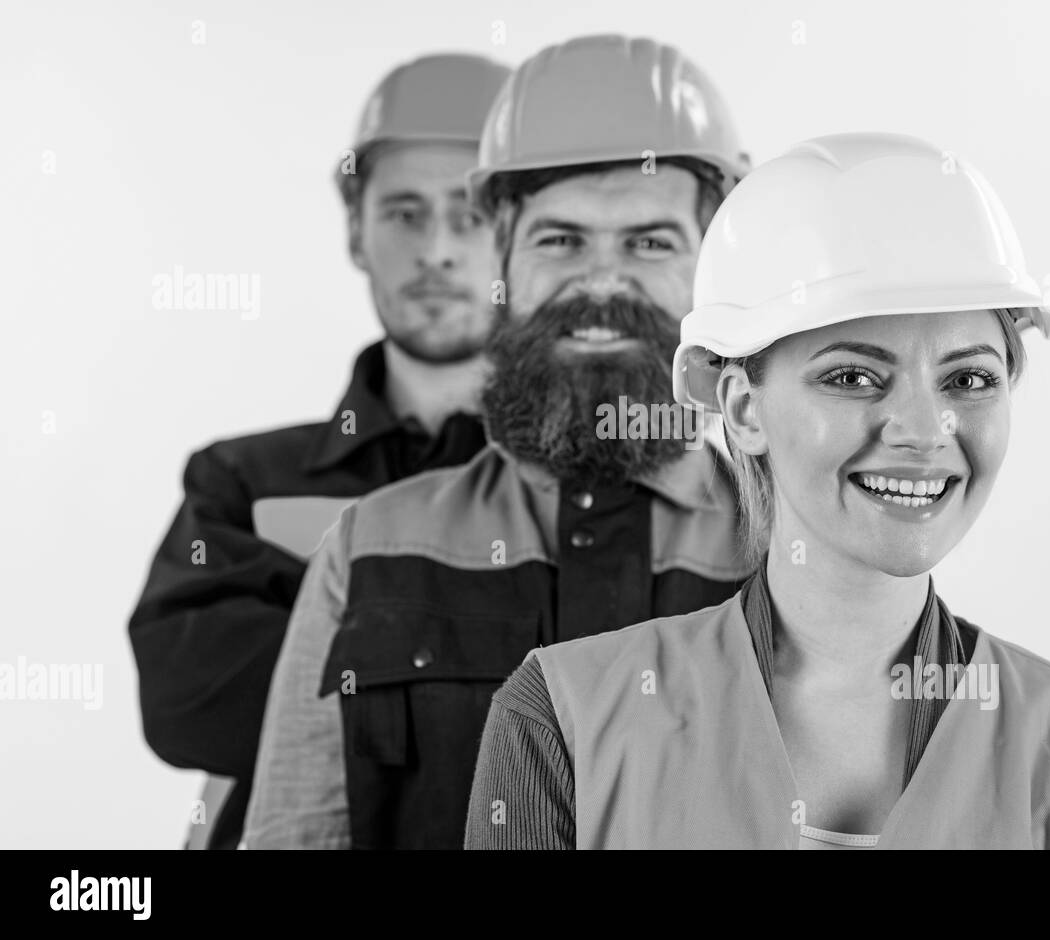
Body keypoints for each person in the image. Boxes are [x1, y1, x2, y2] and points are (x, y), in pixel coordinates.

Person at [466, 133, 1050, 849]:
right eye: (852, 377)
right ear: (744, 410)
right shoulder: (562, 725)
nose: (921, 429)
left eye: (968, 380)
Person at [243, 34, 754, 850]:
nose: (601, 280)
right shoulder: (368, 552)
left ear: (713, 271)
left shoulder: (787, 553)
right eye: (560, 240)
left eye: (650, 243)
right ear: (503, 262)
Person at [128, 53, 511, 849]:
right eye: (404, 212)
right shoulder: (244, 483)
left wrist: (336, 649)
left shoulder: (575, 489)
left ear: (521, 237)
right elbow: (190, 703)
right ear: (354, 230)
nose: (436, 249)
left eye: (469, 215)